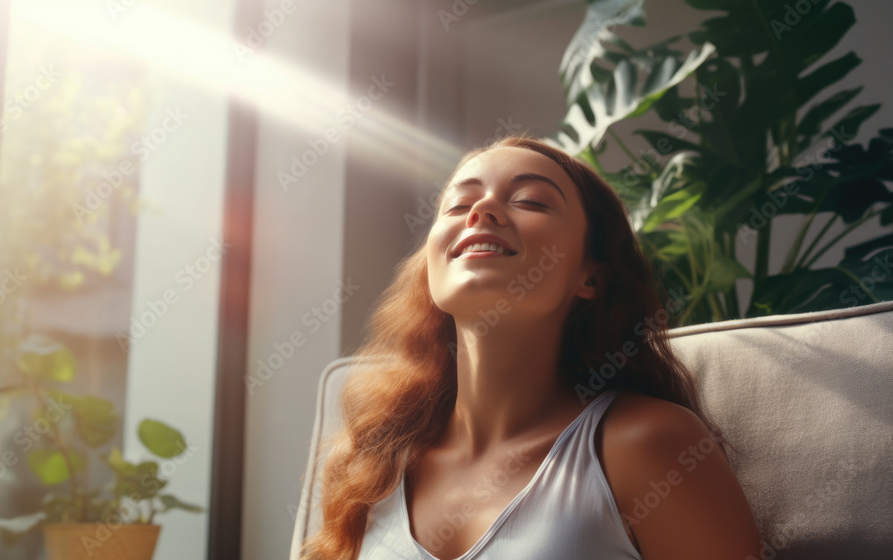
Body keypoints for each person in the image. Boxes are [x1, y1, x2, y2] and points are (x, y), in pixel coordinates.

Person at [300, 134, 763, 559]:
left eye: (530, 201)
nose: (482, 210)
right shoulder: (367, 464)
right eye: (458, 205)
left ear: (591, 277)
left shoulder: (646, 444)